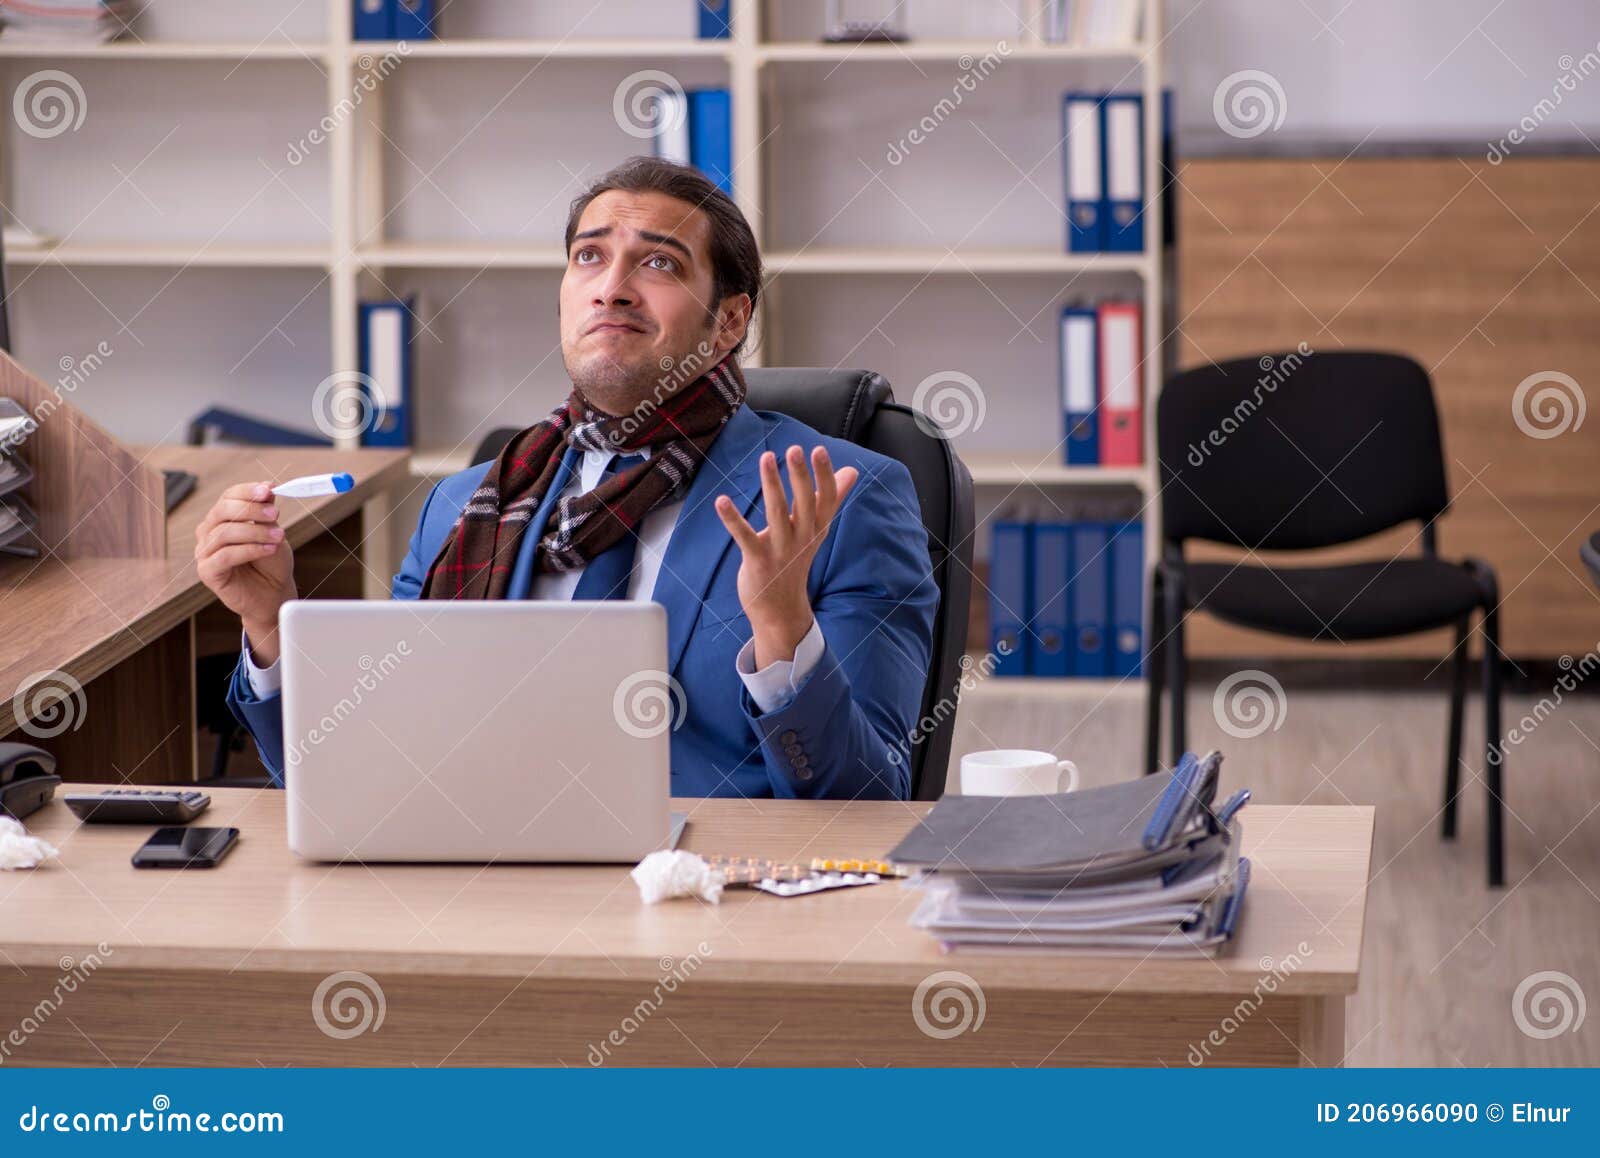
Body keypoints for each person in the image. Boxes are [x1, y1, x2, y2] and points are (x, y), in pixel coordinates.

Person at [195, 156, 938, 800]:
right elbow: (359, 771)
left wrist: (784, 630)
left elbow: (868, 799)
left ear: (729, 322)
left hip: (704, 901)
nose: (611, 287)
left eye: (659, 263)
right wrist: (270, 625)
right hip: (478, 881)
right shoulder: (464, 506)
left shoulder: (844, 498)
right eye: (589, 257)